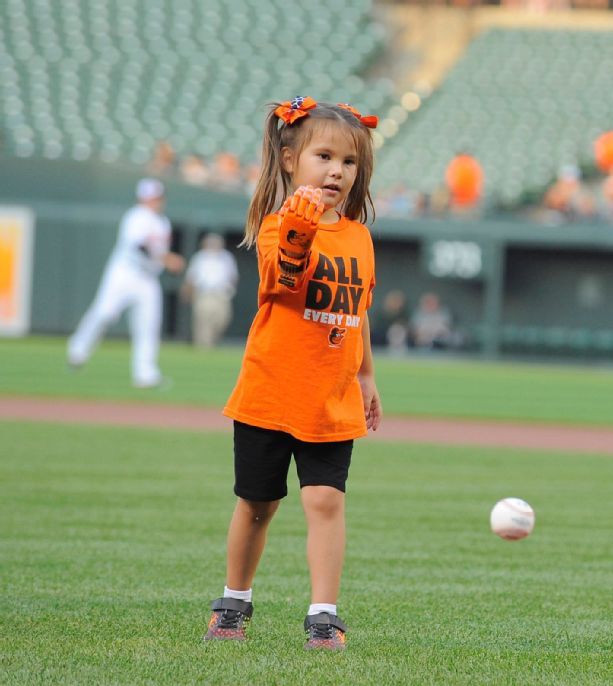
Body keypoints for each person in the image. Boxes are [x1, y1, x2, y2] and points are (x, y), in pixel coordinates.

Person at [204, 96, 382, 651]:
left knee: (326, 501)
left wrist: (367, 377)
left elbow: (357, 312)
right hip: (271, 390)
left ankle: (323, 616)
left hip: (331, 395)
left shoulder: (358, 236)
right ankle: (234, 603)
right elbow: (282, 282)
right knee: (258, 504)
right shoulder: (278, 226)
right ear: (288, 159)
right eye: (324, 156)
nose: (337, 171)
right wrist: (299, 239)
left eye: (349, 162)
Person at [67, 178, 185, 388]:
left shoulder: (162, 222)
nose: (155, 200)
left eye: (158, 196)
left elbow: (156, 251)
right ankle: (78, 350)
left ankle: (145, 374)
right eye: (151, 196)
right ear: (143, 198)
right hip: (125, 272)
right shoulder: (136, 216)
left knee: (149, 326)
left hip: (148, 278)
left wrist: (164, 259)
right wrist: (167, 259)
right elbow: (139, 245)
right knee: (104, 313)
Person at [182, 232, 239, 348]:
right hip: (204, 293)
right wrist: (188, 293)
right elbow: (191, 278)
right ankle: (203, 347)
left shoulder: (226, 257)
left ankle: (212, 342)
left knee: (222, 319)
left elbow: (233, 276)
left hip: (221, 294)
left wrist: (231, 289)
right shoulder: (200, 257)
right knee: (203, 319)